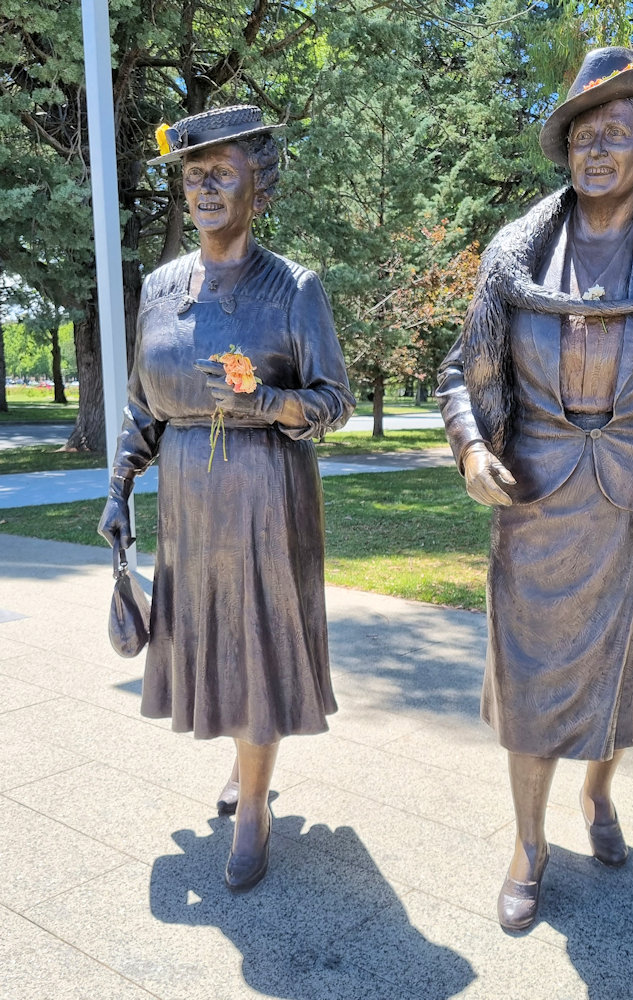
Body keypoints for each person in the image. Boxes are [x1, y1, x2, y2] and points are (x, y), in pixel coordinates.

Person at [436, 48, 633, 931]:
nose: (594, 151)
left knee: (622, 685)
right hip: (534, 503)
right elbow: (460, 374)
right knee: (531, 688)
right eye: (581, 135)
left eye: (613, 134)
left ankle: (598, 797)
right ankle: (527, 846)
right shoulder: (514, 262)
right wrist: (470, 451)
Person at [98, 105, 355, 892]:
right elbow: (145, 404)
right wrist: (120, 487)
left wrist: (270, 403)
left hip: (265, 493)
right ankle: (246, 771)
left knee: (259, 644)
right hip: (186, 495)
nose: (204, 189)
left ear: (259, 185)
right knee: (210, 638)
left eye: (222, 174)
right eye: (193, 176)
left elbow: (332, 401)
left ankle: (253, 806)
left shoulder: (292, 287)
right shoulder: (160, 286)